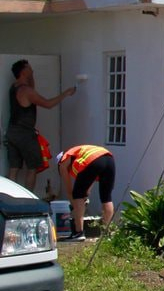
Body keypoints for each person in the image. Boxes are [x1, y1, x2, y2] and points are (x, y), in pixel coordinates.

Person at [6, 59, 75, 191]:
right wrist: (65, 93)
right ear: (24, 71)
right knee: (32, 168)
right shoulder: (26, 91)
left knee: (14, 168)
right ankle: (29, 200)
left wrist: (31, 77)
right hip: (25, 134)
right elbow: (48, 104)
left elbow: (31, 89)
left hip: (12, 131)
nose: (32, 70)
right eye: (30, 68)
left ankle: (7, 200)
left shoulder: (14, 88)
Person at [55, 145, 115, 242]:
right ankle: (107, 233)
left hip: (93, 160)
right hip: (108, 159)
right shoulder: (79, 155)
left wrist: (74, 206)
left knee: (77, 195)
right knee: (106, 197)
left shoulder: (63, 162)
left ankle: (78, 233)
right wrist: (85, 198)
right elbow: (88, 185)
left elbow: (70, 191)